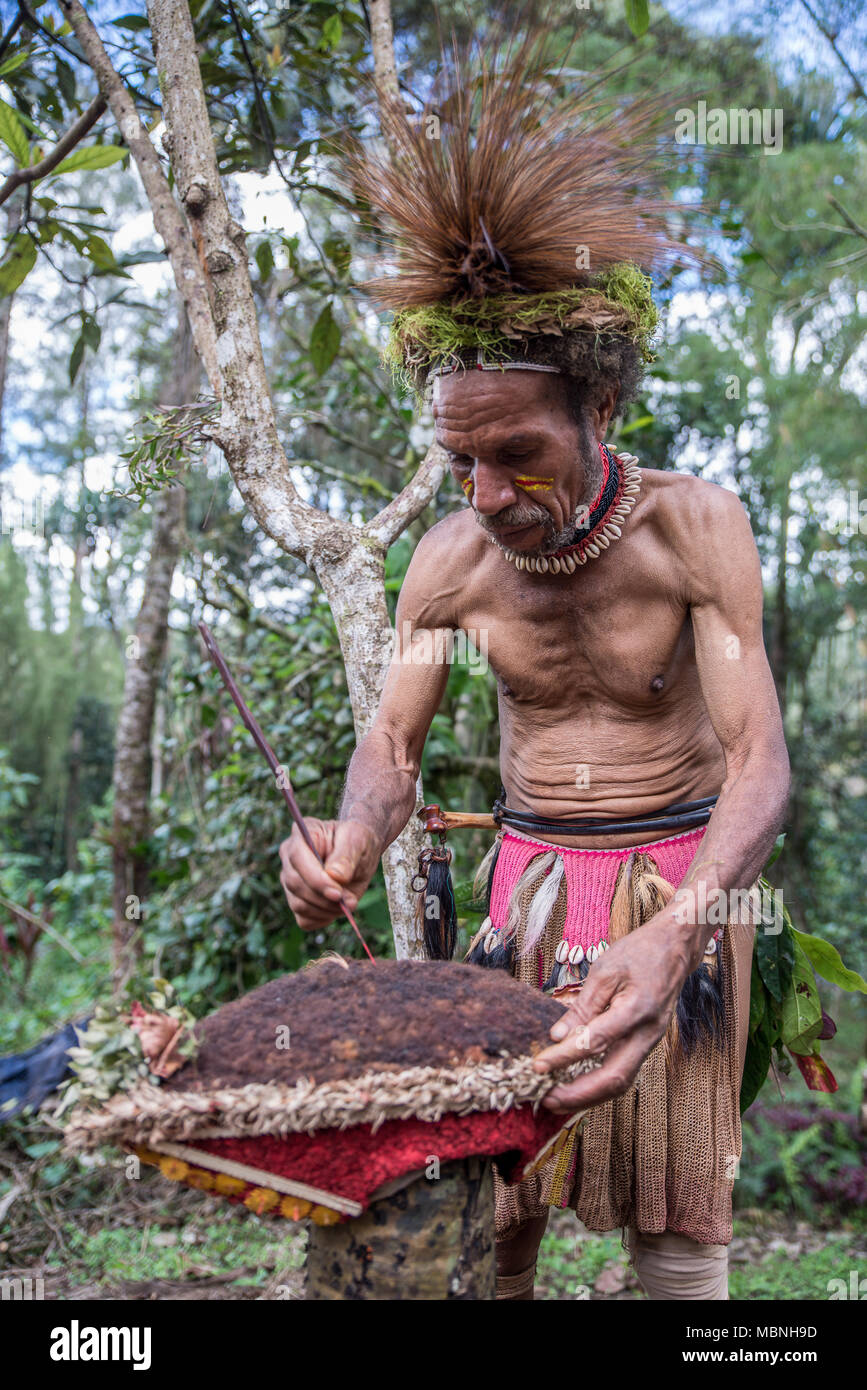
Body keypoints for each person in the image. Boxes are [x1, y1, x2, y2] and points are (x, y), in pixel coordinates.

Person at [279, 35, 790, 1299]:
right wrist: (346, 836)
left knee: (675, 1229)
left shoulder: (696, 530)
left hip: (683, 879)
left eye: (518, 453)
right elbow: (393, 746)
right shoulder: (448, 566)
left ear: (598, 411)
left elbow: (759, 763)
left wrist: (681, 932)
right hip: (523, 887)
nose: (487, 493)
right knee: (500, 1204)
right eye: (462, 462)